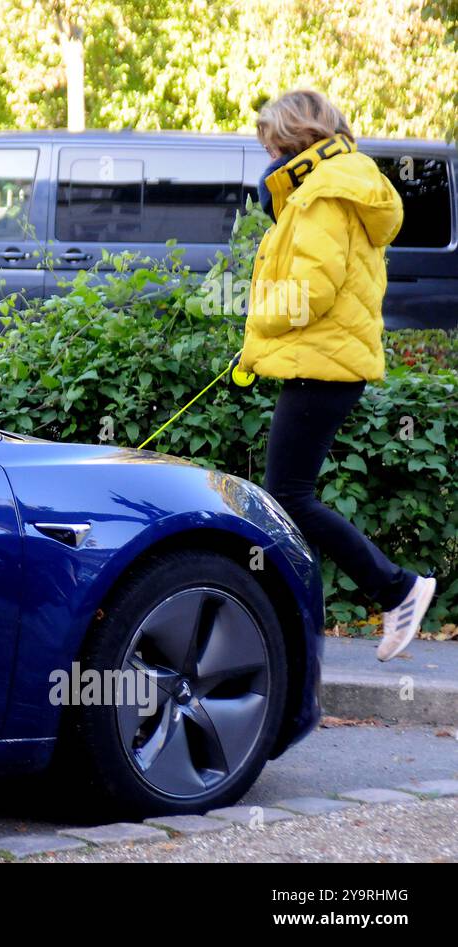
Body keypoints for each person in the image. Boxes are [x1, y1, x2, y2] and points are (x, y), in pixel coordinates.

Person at [236, 89, 435, 662]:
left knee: (288, 497)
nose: (268, 151)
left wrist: (255, 322)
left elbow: (311, 293)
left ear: (296, 136)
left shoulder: (323, 194)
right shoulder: (336, 185)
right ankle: (302, 623)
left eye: (272, 140)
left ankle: (397, 589)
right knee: (289, 497)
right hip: (326, 364)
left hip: (323, 367)